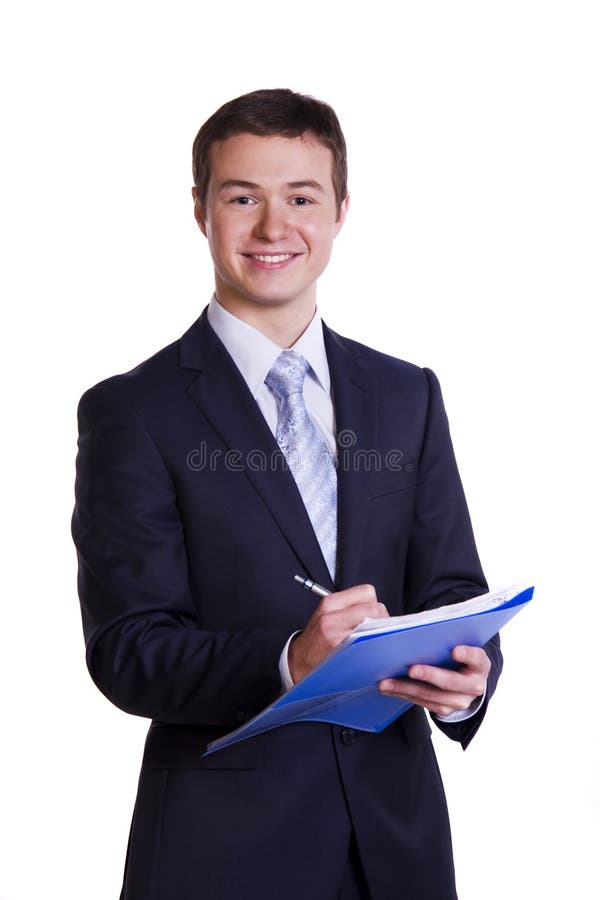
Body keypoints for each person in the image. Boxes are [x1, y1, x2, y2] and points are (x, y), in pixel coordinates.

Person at [72, 88, 502, 900]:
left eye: (301, 197)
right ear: (201, 210)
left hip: (398, 847)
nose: (275, 229)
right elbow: (127, 649)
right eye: (244, 198)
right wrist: (287, 659)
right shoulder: (134, 412)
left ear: (341, 210)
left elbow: (452, 589)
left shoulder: (407, 395)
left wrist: (469, 677)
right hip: (223, 856)